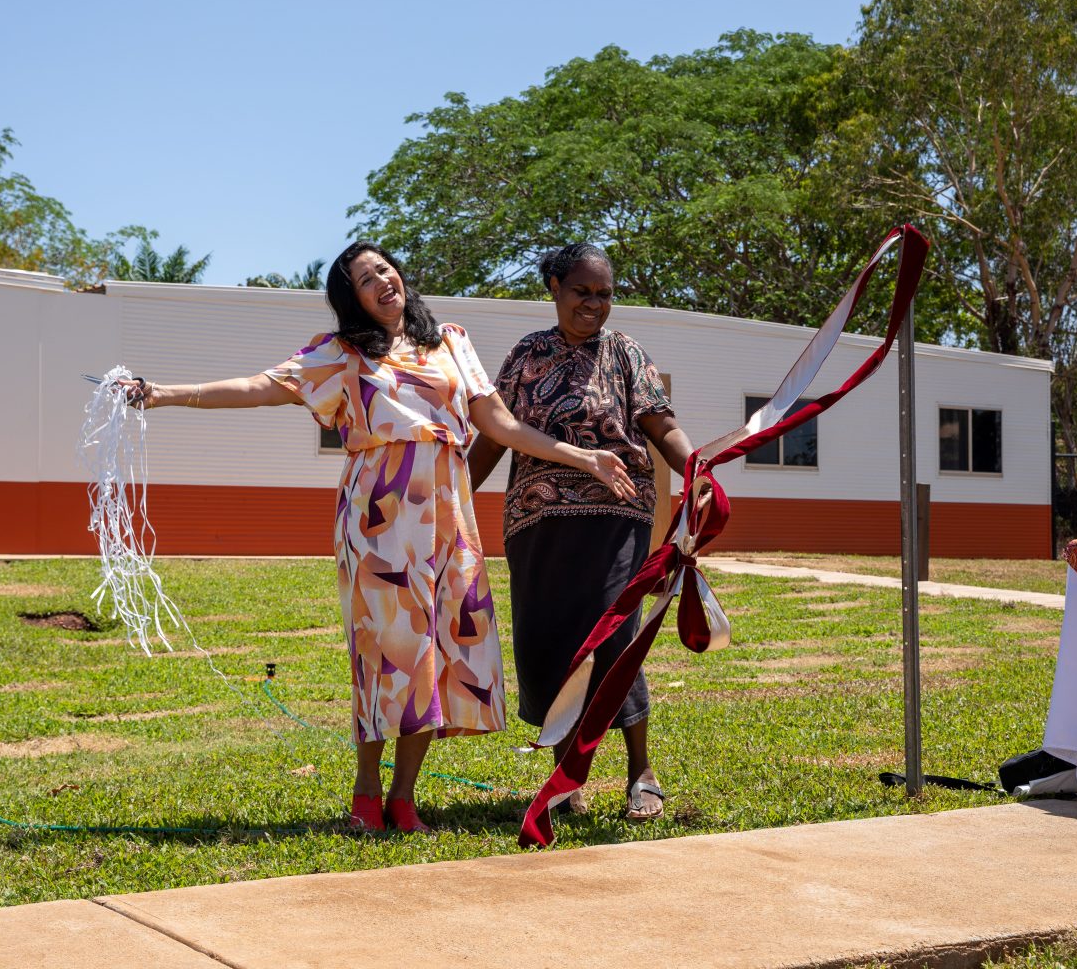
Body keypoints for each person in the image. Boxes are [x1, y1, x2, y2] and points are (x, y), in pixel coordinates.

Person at [121, 241, 635, 833]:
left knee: (439, 647)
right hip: (379, 516)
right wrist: (162, 394)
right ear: (354, 299)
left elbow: (499, 423)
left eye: (385, 270)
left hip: (448, 513)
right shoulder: (341, 354)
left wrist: (582, 457)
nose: (382, 282)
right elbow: (259, 386)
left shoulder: (450, 342)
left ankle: (404, 797)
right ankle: (366, 792)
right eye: (366, 280)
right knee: (386, 652)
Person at [466, 243, 692, 820]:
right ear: (555, 288)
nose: (593, 304)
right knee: (547, 641)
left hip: (616, 513)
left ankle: (640, 770)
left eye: (604, 294)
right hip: (535, 521)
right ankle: (568, 778)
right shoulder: (526, 355)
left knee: (611, 634)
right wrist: (451, 497)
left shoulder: (624, 352)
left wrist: (698, 470)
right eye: (581, 291)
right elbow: (494, 436)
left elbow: (662, 426)